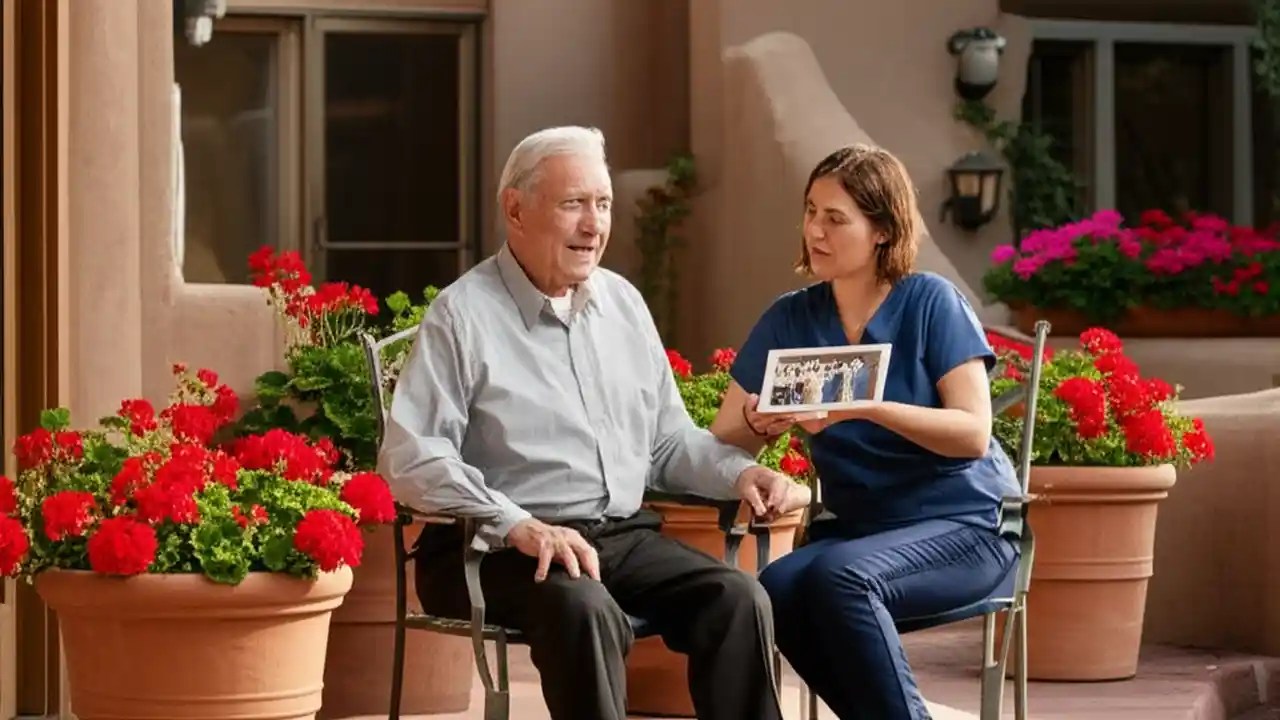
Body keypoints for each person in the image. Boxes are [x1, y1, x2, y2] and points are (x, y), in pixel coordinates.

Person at [377, 125, 804, 720]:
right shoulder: (463, 315)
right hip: (491, 549)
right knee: (584, 608)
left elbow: (667, 442)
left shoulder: (623, 305)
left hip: (616, 537)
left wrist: (739, 476)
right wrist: (518, 523)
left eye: (602, 204)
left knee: (736, 598)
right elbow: (409, 457)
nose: (594, 224)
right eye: (574, 203)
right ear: (515, 209)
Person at [709, 144, 1021, 720]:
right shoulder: (791, 317)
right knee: (770, 592)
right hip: (856, 534)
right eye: (810, 212)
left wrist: (868, 407)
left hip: (966, 527)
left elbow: (973, 433)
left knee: (837, 579)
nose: (815, 231)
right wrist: (759, 421)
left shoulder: (931, 301)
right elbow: (725, 432)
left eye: (836, 218)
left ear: (881, 230)